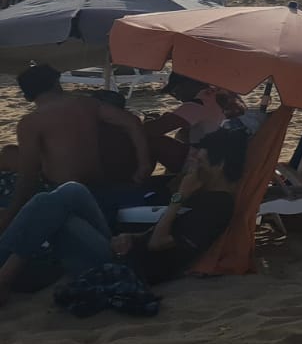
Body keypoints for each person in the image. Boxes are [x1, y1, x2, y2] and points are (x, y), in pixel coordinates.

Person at [0, 127, 246, 304]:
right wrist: (132, 236)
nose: (192, 163)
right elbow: (153, 234)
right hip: (126, 250)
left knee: (58, 214)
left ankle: (3, 277)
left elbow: (159, 243)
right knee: (72, 191)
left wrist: (179, 197)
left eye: (199, 158)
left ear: (220, 164)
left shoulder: (218, 206)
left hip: (131, 269)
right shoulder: (201, 189)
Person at [0, 65, 152, 236]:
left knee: (6, 173)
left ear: (27, 96)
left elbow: (28, 176)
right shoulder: (88, 104)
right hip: (96, 184)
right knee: (10, 153)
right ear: (56, 84)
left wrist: (9, 217)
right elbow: (133, 122)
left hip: (60, 191)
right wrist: (144, 164)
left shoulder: (31, 122)